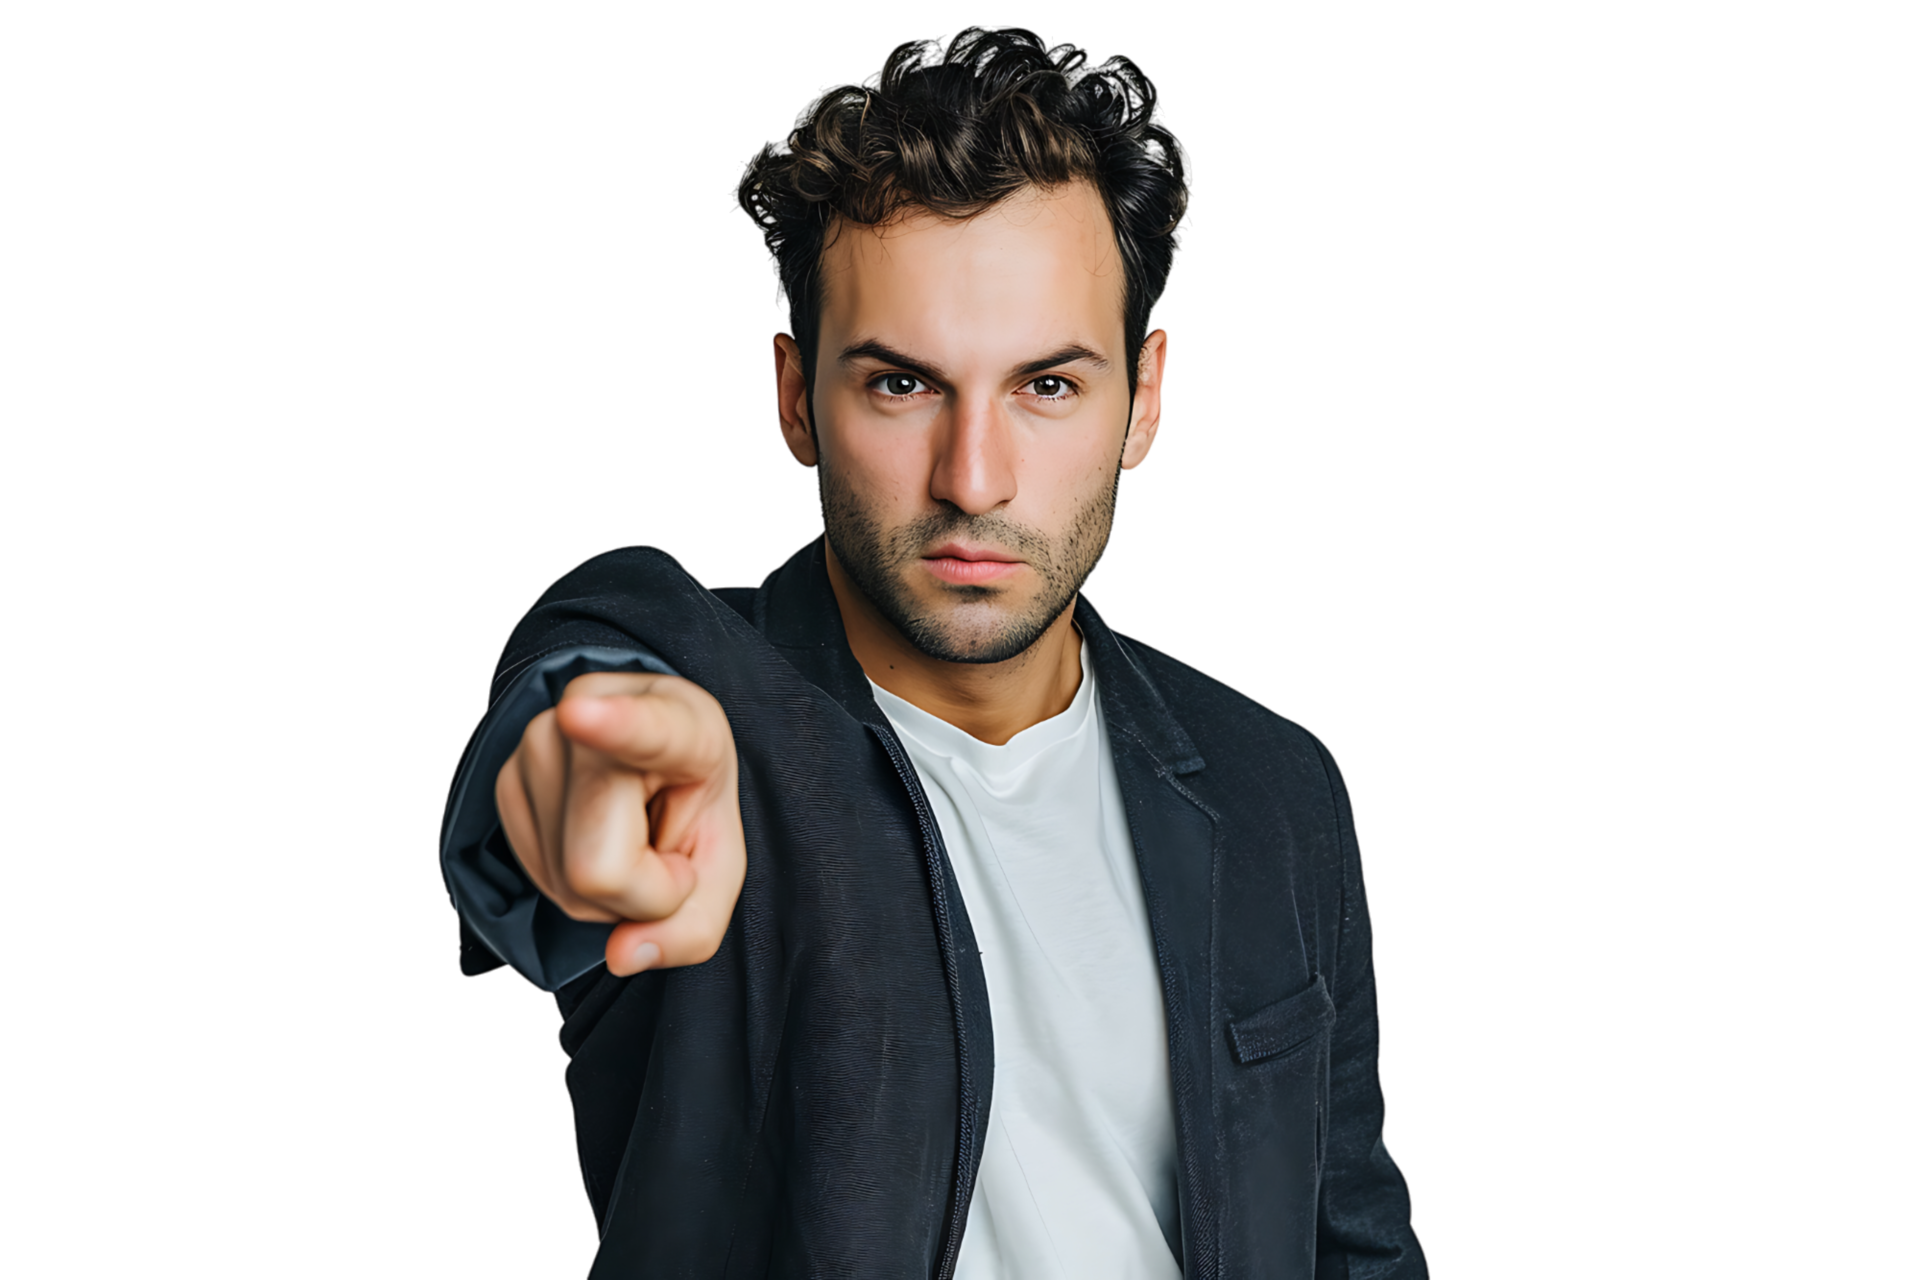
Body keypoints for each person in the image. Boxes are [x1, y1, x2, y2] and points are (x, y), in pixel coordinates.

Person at [439, 25, 1425, 1278]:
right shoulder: (699, 703)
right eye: (901, 385)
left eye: (1048, 387)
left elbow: (1351, 1238)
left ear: (1148, 398)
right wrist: (584, 764)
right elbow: (587, 703)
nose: (974, 478)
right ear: (796, 399)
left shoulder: (1275, 790)